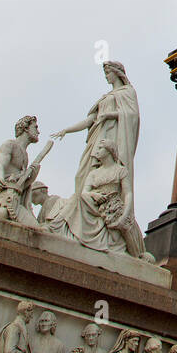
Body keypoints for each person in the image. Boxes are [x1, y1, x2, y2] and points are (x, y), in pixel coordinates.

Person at [48, 63, 141, 256]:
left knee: (107, 179)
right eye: (105, 73)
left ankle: (101, 231)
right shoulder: (105, 97)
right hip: (97, 139)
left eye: (108, 73)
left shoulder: (127, 92)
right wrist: (67, 129)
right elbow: (90, 120)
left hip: (113, 137)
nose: (106, 76)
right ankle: (79, 225)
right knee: (82, 176)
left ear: (117, 73)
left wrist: (111, 114)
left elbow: (132, 115)